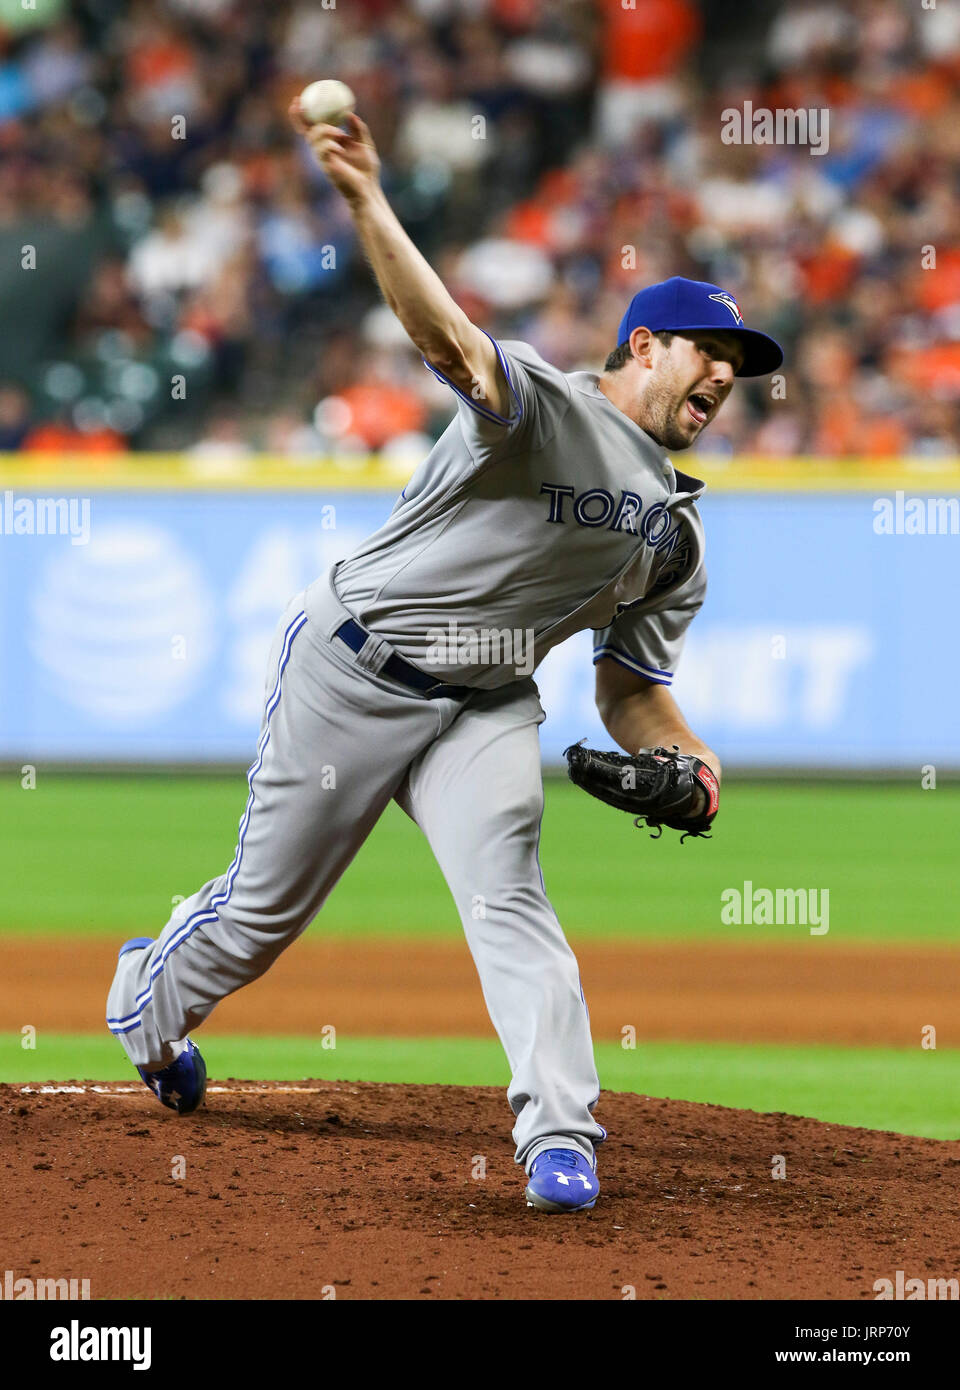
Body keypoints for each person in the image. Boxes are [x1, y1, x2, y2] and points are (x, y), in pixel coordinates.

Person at [106, 105, 782, 1214]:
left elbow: (631, 688)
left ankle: (560, 1133)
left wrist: (695, 764)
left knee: (510, 892)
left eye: (741, 368)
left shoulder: (678, 537)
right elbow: (447, 344)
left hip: (482, 707)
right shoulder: (543, 409)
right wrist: (370, 199)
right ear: (647, 344)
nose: (725, 378)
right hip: (353, 667)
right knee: (258, 921)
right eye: (711, 352)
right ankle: (146, 1003)